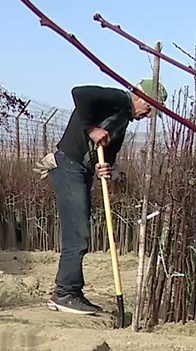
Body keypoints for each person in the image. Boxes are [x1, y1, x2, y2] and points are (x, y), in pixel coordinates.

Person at [43, 81, 165, 315]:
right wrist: (91, 129)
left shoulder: (123, 120)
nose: (148, 116)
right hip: (68, 166)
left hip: (80, 170)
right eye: (149, 109)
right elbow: (79, 93)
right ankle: (64, 293)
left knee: (81, 232)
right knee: (78, 233)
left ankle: (72, 292)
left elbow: (105, 154)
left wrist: (104, 168)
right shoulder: (118, 99)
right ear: (140, 97)